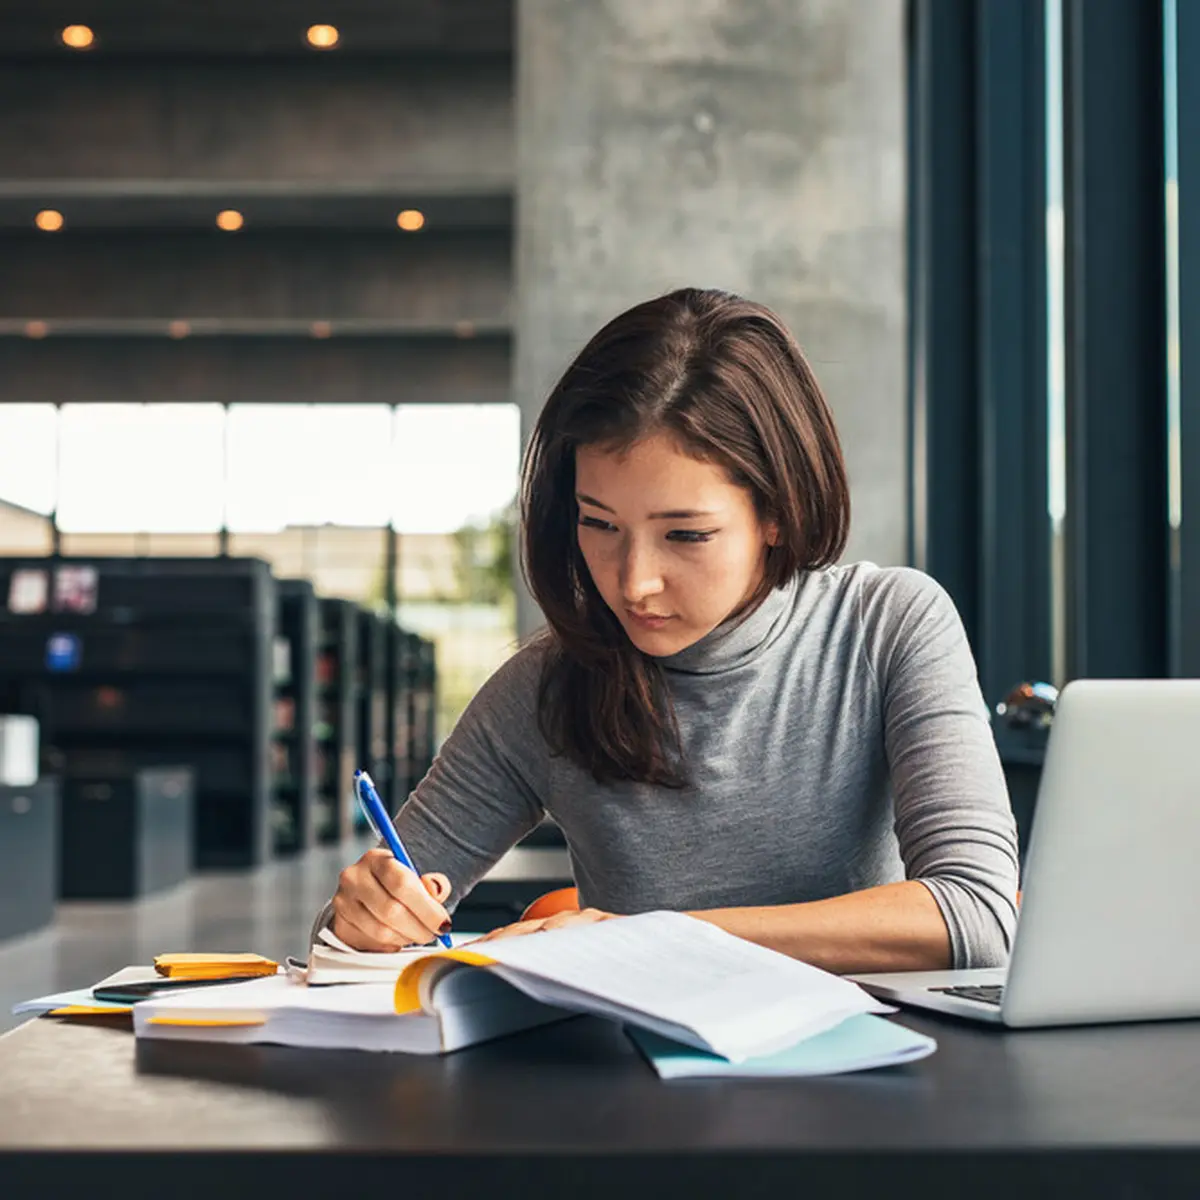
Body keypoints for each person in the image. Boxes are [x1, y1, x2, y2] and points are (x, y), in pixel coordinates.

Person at [316, 288, 1019, 974]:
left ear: (778, 512)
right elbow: (339, 945)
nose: (633, 582)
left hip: (872, 1075)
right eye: (599, 525)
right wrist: (365, 918)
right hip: (639, 1084)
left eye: (685, 534)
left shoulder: (887, 625)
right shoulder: (544, 687)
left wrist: (653, 939)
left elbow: (976, 914)